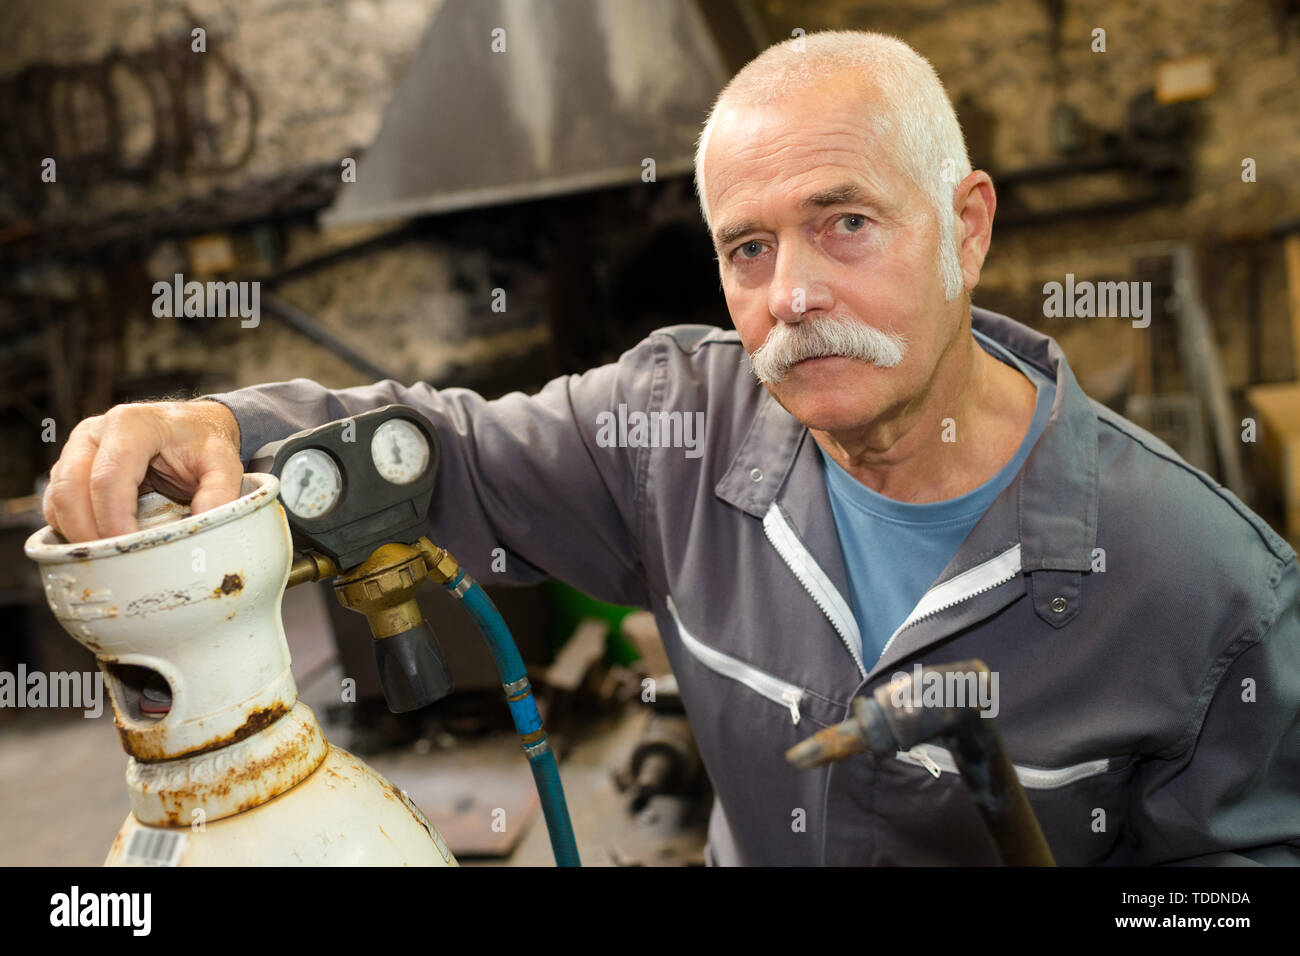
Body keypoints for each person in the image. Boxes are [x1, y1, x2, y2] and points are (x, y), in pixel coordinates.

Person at [41, 31, 1300, 865]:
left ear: (966, 226)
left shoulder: (1205, 587)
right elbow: (444, 455)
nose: (790, 293)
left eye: (845, 221)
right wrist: (221, 426)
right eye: (748, 247)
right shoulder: (678, 434)